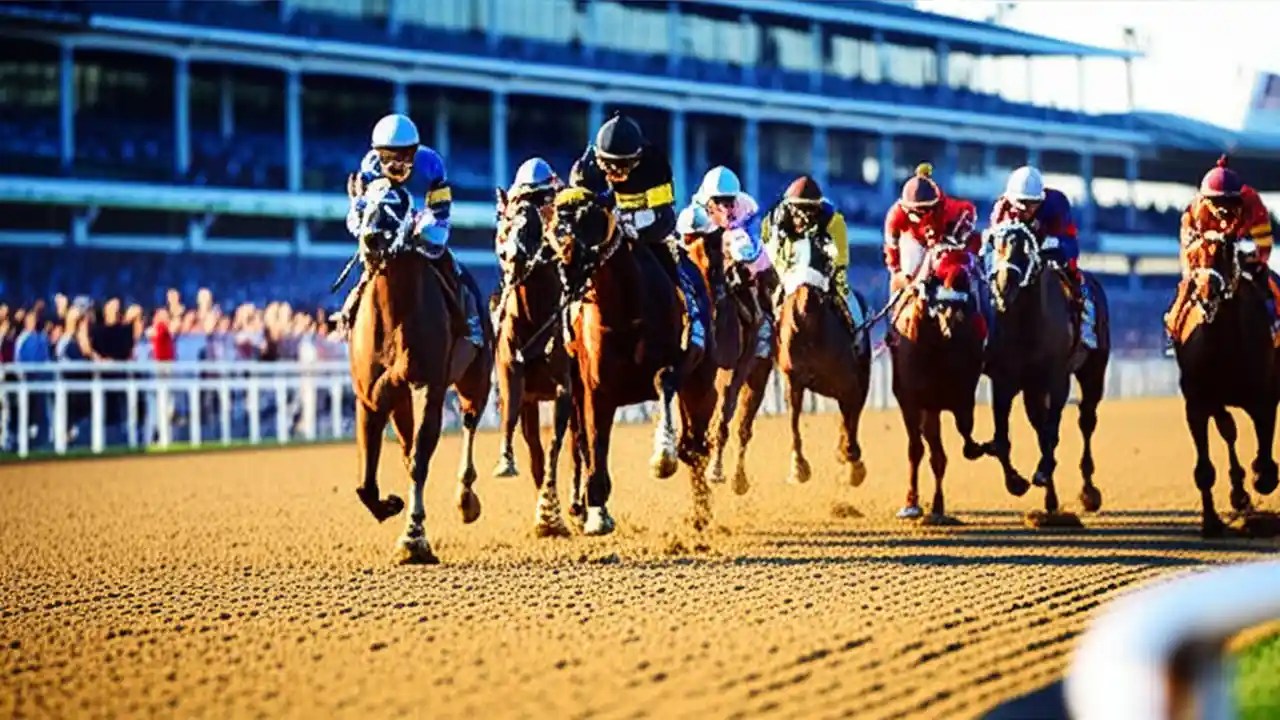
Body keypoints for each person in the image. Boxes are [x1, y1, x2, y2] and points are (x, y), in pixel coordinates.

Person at [332, 113, 485, 348]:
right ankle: (348, 314)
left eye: (403, 156)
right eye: (386, 156)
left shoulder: (432, 165)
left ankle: (470, 319)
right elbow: (357, 218)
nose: (394, 164)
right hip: (388, 232)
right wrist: (363, 216)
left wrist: (420, 231)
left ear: (414, 151)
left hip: (422, 223)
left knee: (448, 261)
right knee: (370, 265)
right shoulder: (369, 166)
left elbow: (440, 213)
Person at [568, 111, 708, 361]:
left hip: (647, 230)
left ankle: (697, 325)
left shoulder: (655, 165)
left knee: (687, 272)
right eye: (608, 164)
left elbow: (663, 218)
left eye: (623, 166)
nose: (614, 172)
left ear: (638, 157)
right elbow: (577, 216)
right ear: (598, 157)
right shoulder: (584, 169)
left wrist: (623, 219)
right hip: (600, 239)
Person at [1166, 155, 1279, 345]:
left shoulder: (1252, 204)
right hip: (1204, 256)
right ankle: (1174, 330)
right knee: (1186, 287)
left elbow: (1264, 242)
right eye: (1217, 204)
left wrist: (1255, 259)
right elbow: (1188, 251)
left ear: (1240, 198)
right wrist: (1198, 268)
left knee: (1268, 282)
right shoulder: (1193, 212)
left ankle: (1274, 322)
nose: (1224, 211)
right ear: (1205, 200)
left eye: (1230, 203)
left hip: (1237, 252)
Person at [988, 165, 1096, 347]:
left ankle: (1087, 322)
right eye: (1022, 203)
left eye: (1032, 204)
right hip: (1017, 254)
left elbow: (1063, 235)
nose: (1027, 209)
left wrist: (1046, 244)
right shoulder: (1002, 207)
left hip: (1056, 245)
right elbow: (994, 237)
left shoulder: (1057, 203)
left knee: (1077, 278)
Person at [763, 174, 861, 339]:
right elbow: (769, 253)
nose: (804, 217)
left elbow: (842, 257)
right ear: (789, 208)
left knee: (847, 295)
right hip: (786, 270)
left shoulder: (834, 221)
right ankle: (764, 343)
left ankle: (858, 332)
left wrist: (834, 277)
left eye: (810, 210)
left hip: (823, 271)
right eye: (799, 211)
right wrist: (782, 277)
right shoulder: (773, 222)